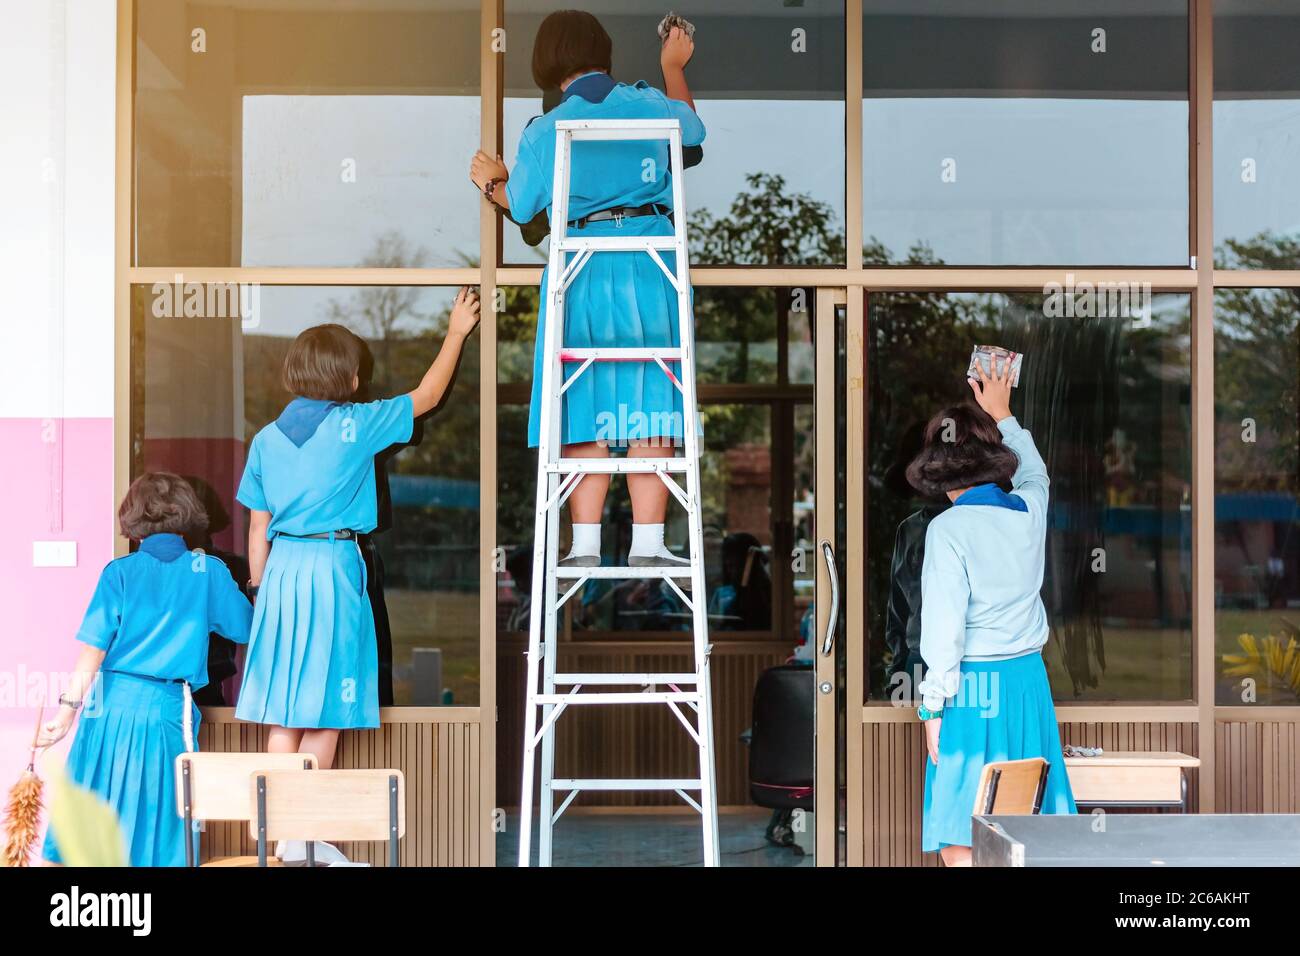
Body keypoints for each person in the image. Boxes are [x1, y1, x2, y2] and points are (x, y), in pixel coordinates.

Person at [469, 10, 704, 568]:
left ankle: (586, 544)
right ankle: (648, 545)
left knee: (584, 395)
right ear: (605, 53)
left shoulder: (544, 130)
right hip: (651, 267)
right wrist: (672, 66)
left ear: (547, 65)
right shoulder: (647, 104)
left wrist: (492, 181)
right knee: (651, 390)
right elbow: (692, 133)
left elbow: (523, 206)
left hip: (582, 271)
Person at [234, 290, 480, 776]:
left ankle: (276, 827)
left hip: (280, 573)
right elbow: (427, 397)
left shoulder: (265, 439)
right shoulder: (356, 423)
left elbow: (257, 525)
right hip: (332, 565)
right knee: (327, 709)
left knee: (283, 709)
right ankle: (300, 833)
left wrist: (260, 588)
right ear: (347, 378)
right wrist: (456, 332)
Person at [906, 356, 1076, 867]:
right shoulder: (1029, 509)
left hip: (971, 688)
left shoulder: (948, 531)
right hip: (1027, 682)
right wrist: (1004, 415)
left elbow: (943, 633)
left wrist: (931, 708)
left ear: (939, 471)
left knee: (963, 834)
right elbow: (1036, 471)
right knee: (1026, 825)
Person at [37, 473, 253, 866]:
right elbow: (245, 628)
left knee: (91, 807)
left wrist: (64, 715)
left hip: (110, 707)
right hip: (166, 709)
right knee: (164, 820)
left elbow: (92, 653)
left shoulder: (118, 573)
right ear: (189, 514)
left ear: (133, 519)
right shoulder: (208, 570)